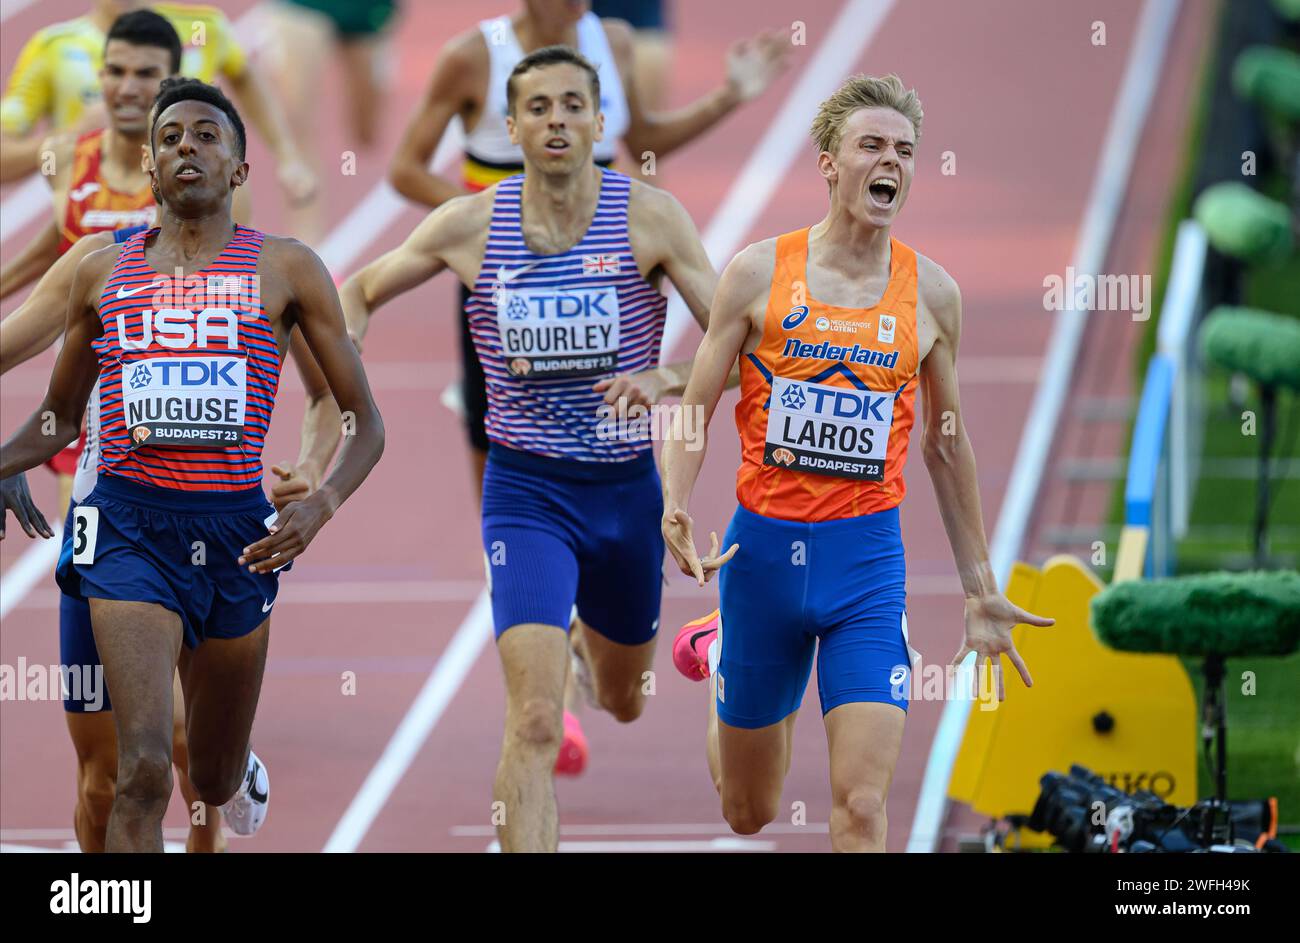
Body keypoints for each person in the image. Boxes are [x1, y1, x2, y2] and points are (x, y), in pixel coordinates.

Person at [659, 74, 1055, 852]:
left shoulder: (933, 295)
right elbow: (695, 408)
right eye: (872, 145)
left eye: (905, 151)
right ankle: (720, 644)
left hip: (866, 567)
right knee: (748, 810)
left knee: (863, 807)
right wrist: (675, 500)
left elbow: (945, 442)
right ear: (830, 164)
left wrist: (980, 588)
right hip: (761, 557)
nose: (892, 163)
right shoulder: (757, 274)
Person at [341, 47, 722, 851]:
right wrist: (340, 377)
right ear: (509, 127)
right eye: (538, 107)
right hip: (526, 494)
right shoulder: (471, 224)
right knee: (538, 721)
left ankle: (594, 644)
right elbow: (360, 288)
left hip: (624, 492)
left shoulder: (650, 217)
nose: (556, 120)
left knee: (624, 700)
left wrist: (669, 376)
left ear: (599, 121)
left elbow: (737, 342)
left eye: (572, 105)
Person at [0, 76, 383, 852]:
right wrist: (4, 456)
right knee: (142, 769)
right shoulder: (99, 270)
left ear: (240, 169)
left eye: (207, 136)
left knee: (207, 775)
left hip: (240, 536)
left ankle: (237, 767)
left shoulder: (287, 269)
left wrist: (321, 502)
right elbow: (60, 417)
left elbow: (363, 421)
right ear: (151, 166)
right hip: (129, 533)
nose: (187, 148)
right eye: (171, 137)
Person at [384, 0, 787, 498]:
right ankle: (500, 553)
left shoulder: (612, 40)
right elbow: (405, 169)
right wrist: (490, 221)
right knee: (488, 418)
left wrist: (729, 96)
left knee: (607, 407)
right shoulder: (472, 56)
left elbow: (643, 141)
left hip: (598, 255)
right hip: (502, 267)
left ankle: (604, 526)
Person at [0, 0, 316, 209]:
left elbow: (245, 78)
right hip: (91, 219)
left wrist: (288, 156)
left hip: (188, 213)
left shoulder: (204, 29)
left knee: (234, 190)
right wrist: (71, 135)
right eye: (116, 72)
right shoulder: (52, 47)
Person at [253, 0, 400, 243]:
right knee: (295, 118)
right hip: (301, 7)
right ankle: (308, 244)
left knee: (366, 134)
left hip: (365, 9)